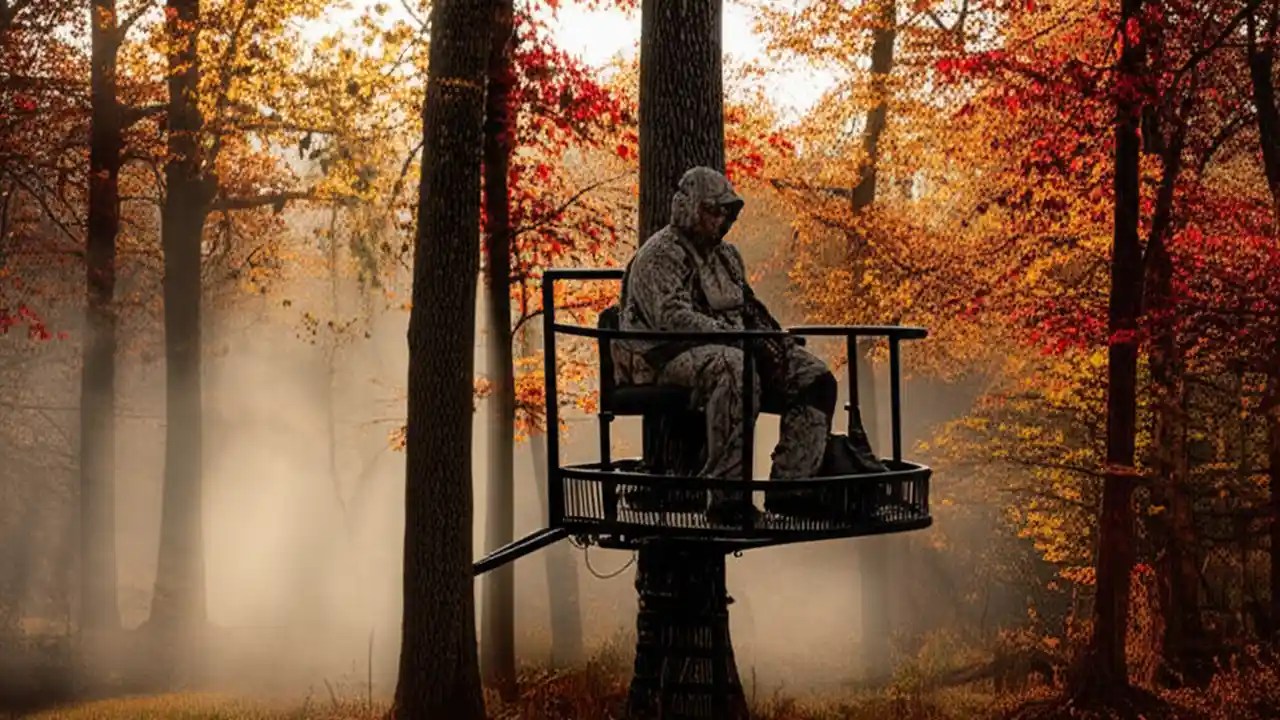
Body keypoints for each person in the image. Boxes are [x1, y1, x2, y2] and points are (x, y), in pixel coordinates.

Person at [613, 166, 838, 519]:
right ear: (690, 209)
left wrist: (775, 340)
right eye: (713, 211)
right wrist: (735, 338)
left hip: (734, 345)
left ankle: (791, 487)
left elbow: (748, 306)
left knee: (814, 375)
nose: (721, 220)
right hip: (662, 355)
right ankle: (727, 497)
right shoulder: (660, 255)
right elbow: (670, 318)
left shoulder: (728, 257)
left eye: (726, 212)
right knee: (735, 372)